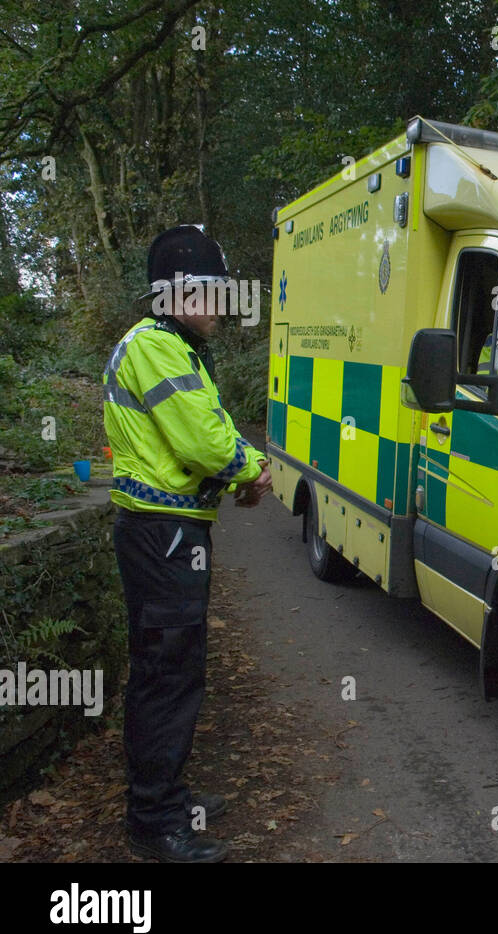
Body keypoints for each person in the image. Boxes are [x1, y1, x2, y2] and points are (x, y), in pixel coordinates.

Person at [103, 225, 272, 861]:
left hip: (169, 534)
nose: (222, 305)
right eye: (212, 292)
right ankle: (153, 820)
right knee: (167, 675)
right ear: (177, 292)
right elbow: (203, 441)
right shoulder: (155, 348)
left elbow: (211, 429)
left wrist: (239, 469)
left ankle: (165, 796)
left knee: (172, 671)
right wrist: (252, 469)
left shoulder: (175, 349)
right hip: (160, 537)